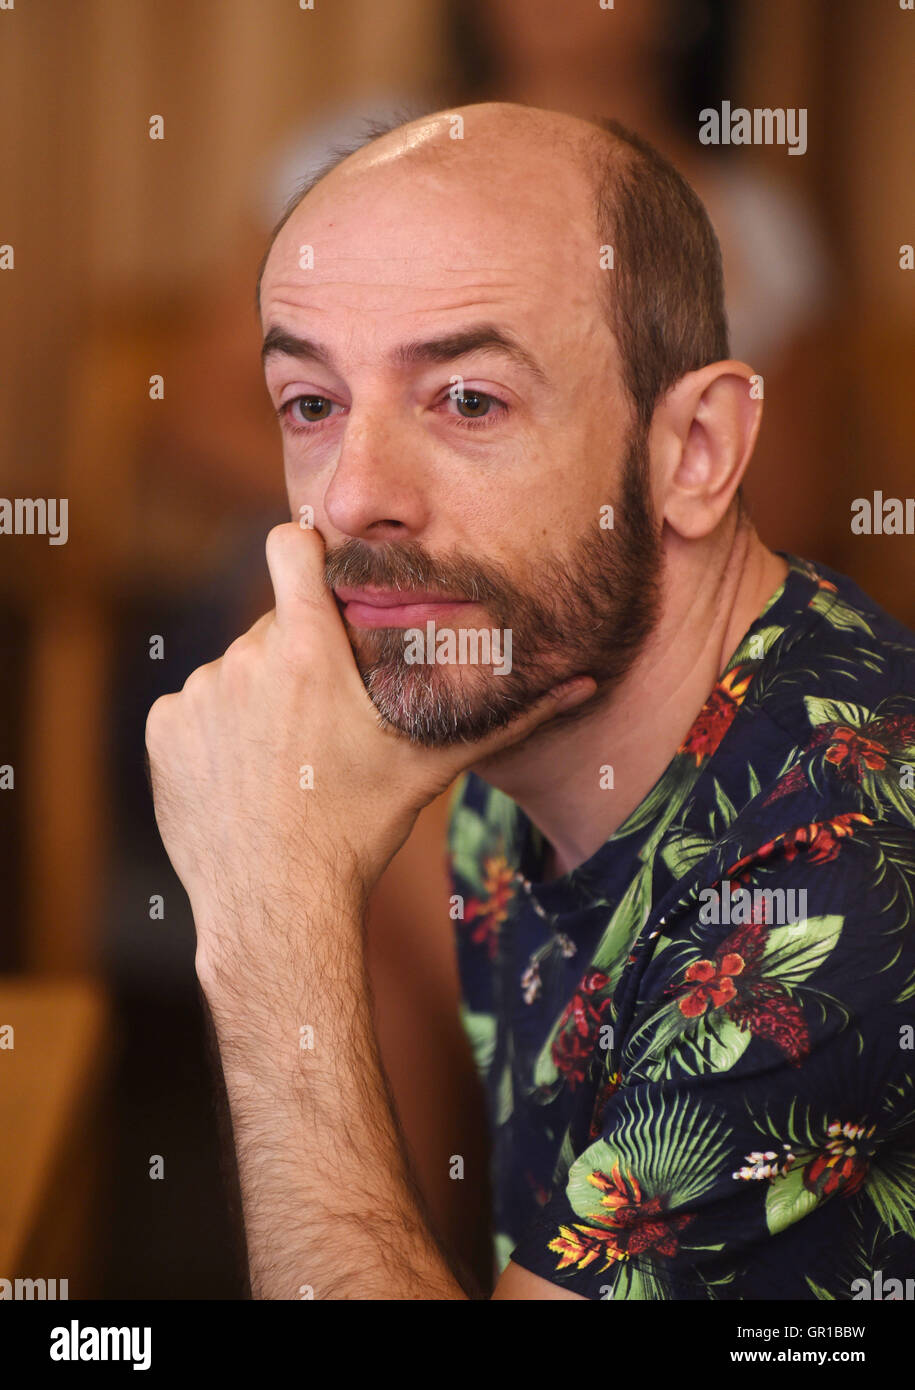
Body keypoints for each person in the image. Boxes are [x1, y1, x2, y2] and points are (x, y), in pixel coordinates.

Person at [145, 103, 915, 1300]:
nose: (350, 499)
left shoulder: (832, 874)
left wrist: (268, 921)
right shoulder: (537, 706)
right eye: (312, 403)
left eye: (467, 401)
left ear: (695, 451)